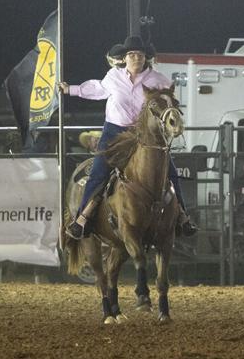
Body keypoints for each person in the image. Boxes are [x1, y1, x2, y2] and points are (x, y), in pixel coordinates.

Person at [59, 38, 197, 239]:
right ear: (123, 58)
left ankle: (182, 217)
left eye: (140, 55)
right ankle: (82, 218)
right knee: (98, 171)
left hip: (144, 134)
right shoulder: (113, 76)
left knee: (170, 172)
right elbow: (97, 89)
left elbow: (169, 102)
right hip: (114, 131)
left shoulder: (159, 80)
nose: (136, 58)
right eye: (131, 54)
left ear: (145, 58)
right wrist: (70, 89)